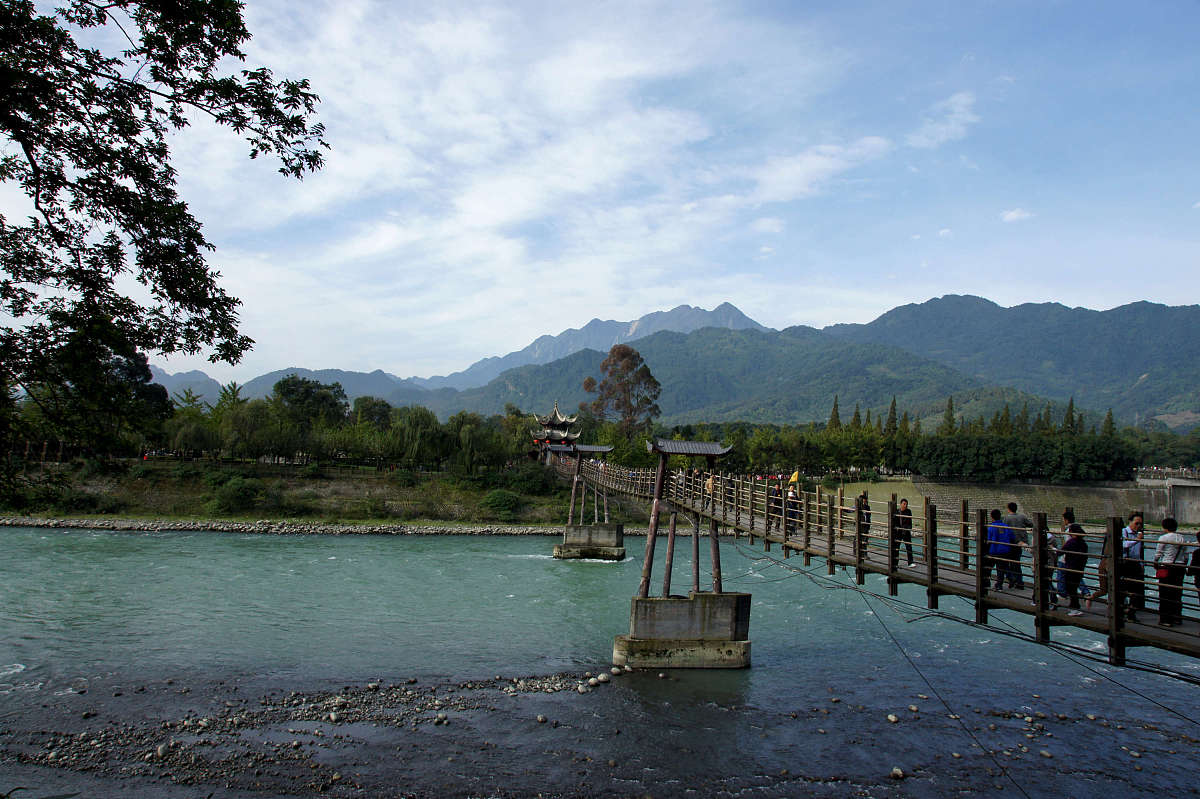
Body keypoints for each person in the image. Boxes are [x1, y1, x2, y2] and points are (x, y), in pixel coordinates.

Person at [1153, 517, 1188, 627]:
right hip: (1179, 567)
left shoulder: (1163, 538)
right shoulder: (1182, 538)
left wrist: (1155, 563)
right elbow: (1186, 555)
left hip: (1167, 566)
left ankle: (1165, 619)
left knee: (1165, 593)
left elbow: (1158, 554)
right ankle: (1177, 617)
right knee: (1177, 593)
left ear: (1164, 527)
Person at [1059, 510, 1089, 616]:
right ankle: (1083, 595)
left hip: (1070, 566)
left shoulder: (1071, 542)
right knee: (1074, 587)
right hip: (1079, 568)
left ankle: (1074, 607)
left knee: (1070, 588)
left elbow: (1061, 551)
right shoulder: (1083, 544)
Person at [1119, 513, 1147, 623]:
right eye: (1136, 523)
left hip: (1136, 564)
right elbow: (1123, 545)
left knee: (1137, 590)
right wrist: (1137, 540)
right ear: (1130, 522)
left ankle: (1131, 613)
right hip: (1126, 563)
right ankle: (1121, 612)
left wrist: (1141, 564)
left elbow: (1138, 552)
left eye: (1140, 524)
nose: (1138, 526)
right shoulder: (1124, 532)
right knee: (1124, 589)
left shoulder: (1139, 534)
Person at [1001, 502, 1033, 589]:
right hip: (1021, 542)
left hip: (1010, 543)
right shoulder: (1022, 516)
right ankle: (1019, 581)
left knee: (1009, 562)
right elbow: (1031, 524)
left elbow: (1003, 530)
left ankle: (1013, 580)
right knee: (1016, 562)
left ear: (1008, 509)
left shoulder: (1006, 518)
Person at [987, 508, 1020, 589]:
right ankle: (1000, 584)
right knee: (1001, 569)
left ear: (991, 517)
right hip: (1005, 551)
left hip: (994, 551)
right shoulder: (1006, 527)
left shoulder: (990, 527)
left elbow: (988, 540)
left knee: (988, 567)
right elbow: (1012, 538)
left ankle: (987, 582)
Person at [893, 498, 914, 566]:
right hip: (899, 532)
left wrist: (908, 528)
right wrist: (897, 528)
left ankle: (910, 562)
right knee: (897, 548)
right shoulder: (897, 511)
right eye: (904, 504)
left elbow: (910, 522)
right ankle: (895, 563)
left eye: (906, 504)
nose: (905, 505)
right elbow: (895, 522)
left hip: (906, 531)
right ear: (900, 504)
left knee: (909, 547)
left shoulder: (908, 511)